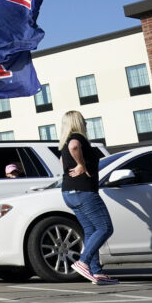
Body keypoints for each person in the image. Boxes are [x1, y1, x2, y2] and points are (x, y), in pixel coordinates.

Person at [58, 110, 117, 285]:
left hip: (68, 192)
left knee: (91, 231)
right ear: (78, 122)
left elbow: (63, 161)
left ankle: (96, 272)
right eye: (83, 120)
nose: (86, 123)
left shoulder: (64, 141)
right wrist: (81, 164)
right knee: (105, 228)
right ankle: (83, 262)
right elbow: (74, 146)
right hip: (83, 191)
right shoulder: (77, 137)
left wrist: (76, 164)